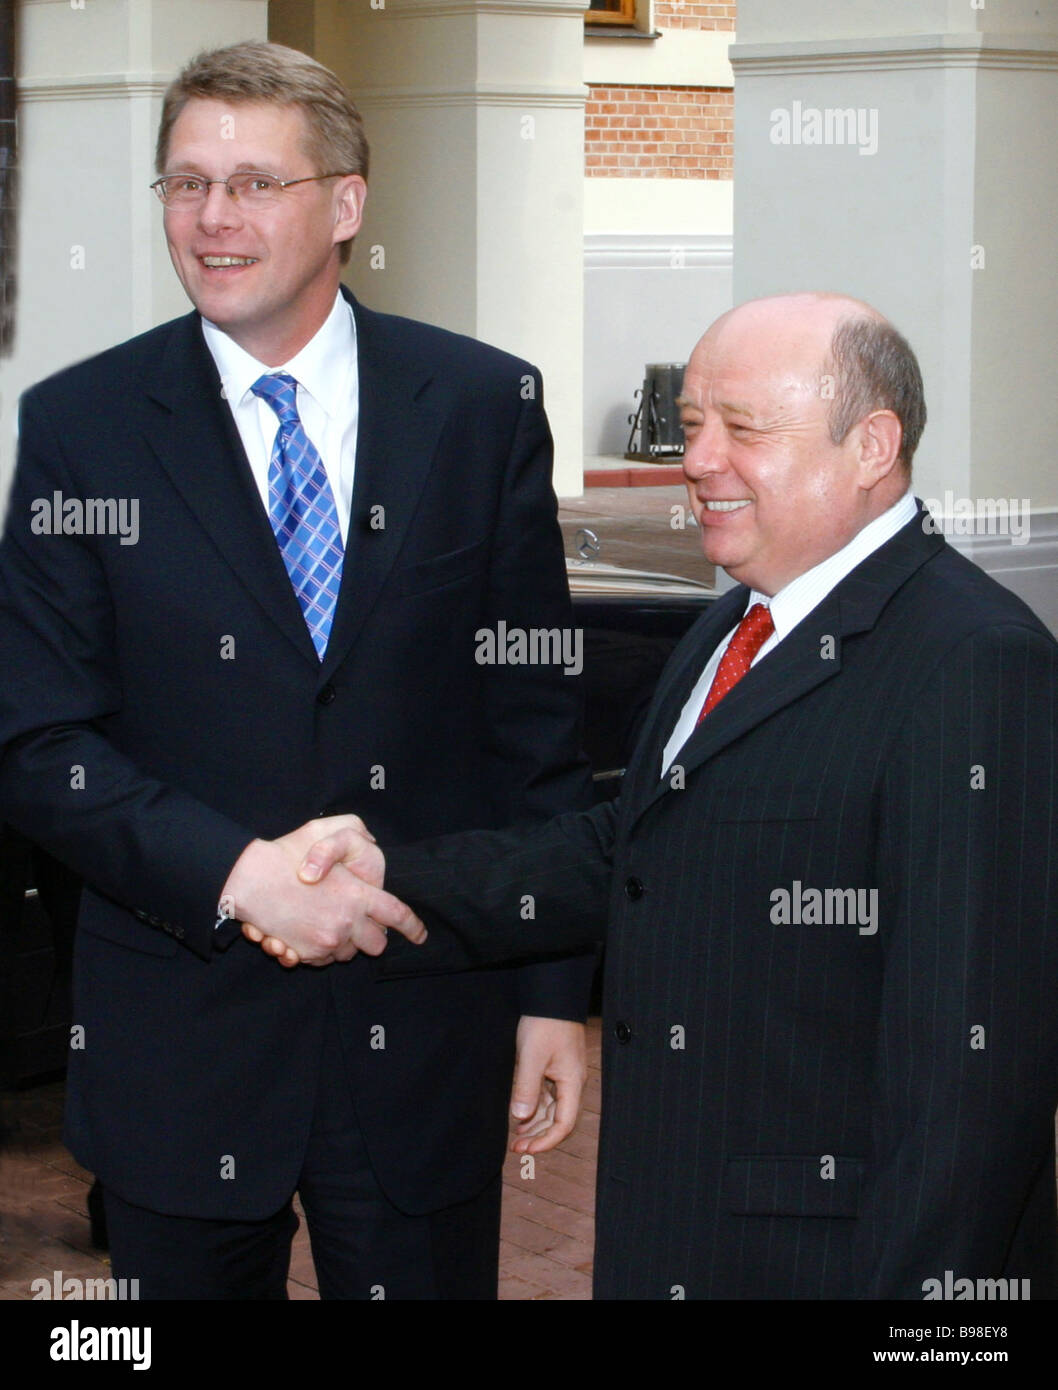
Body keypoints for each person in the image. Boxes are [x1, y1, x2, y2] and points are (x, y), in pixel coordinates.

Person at [267, 292, 1058, 1299]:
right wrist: (390, 873)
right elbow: (630, 851)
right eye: (689, 425)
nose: (695, 458)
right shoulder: (729, 628)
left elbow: (972, 1086)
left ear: (870, 445)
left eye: (743, 428)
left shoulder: (973, 662)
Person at [0, 40, 595, 1299]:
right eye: (185, 183)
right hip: (182, 1040)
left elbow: (531, 727)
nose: (213, 218)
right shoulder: (78, 428)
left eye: (256, 183)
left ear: (345, 204)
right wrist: (241, 879)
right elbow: (37, 741)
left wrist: (553, 990)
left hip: (426, 1021)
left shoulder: (480, 404)